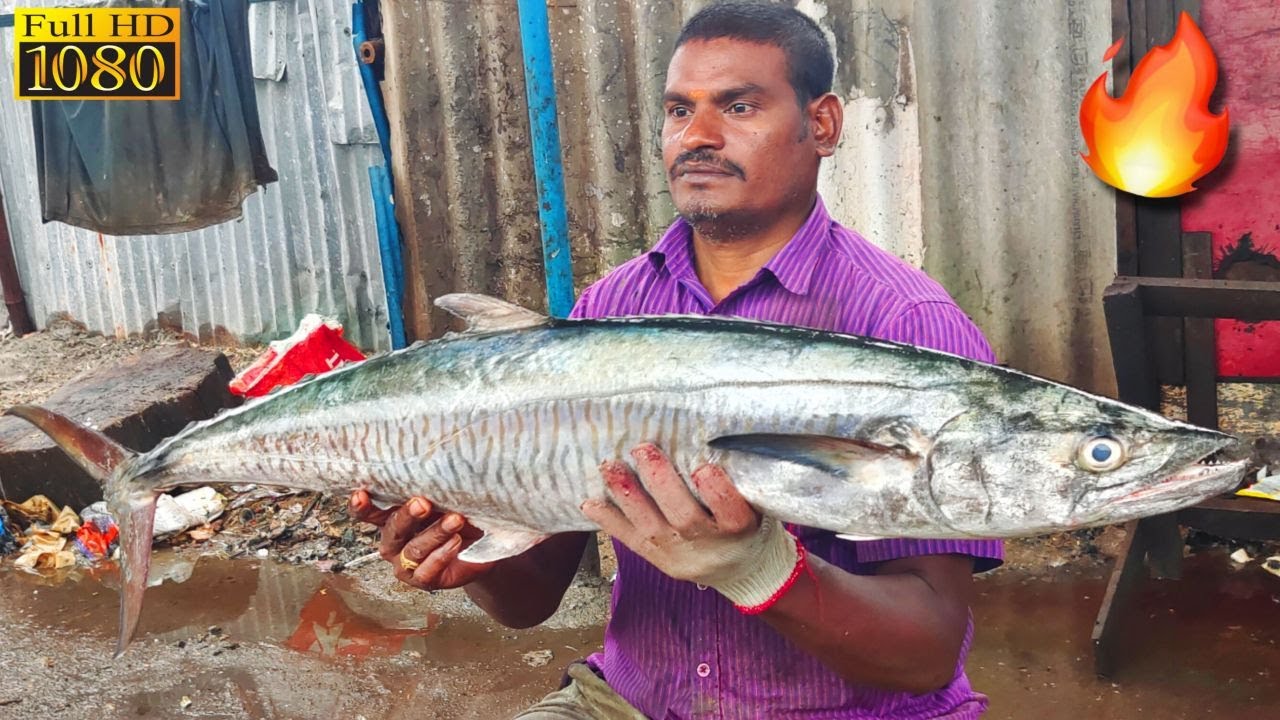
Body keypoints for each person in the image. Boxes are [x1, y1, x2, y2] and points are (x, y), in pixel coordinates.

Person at [349, 3, 1003, 717]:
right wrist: (464, 546)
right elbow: (531, 600)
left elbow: (927, 651)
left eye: (739, 106)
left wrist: (764, 569)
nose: (698, 136)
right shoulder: (610, 310)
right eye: (677, 110)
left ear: (822, 125)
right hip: (631, 703)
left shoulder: (906, 327)